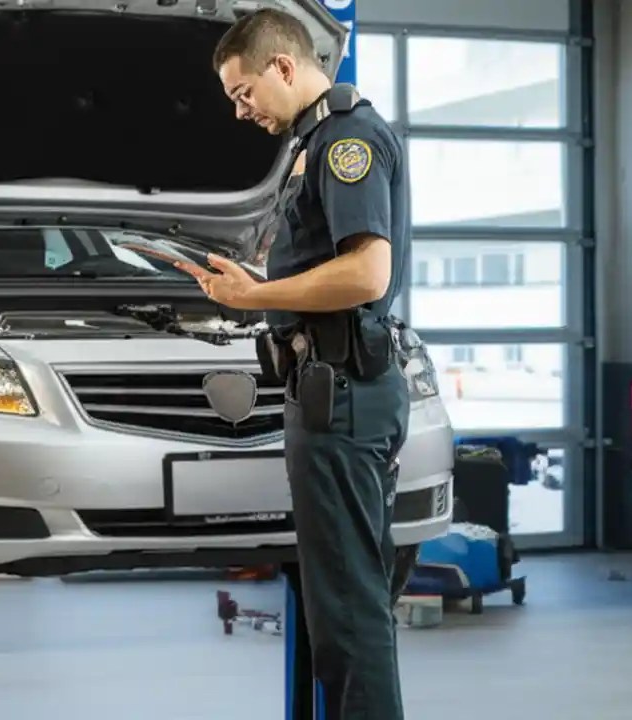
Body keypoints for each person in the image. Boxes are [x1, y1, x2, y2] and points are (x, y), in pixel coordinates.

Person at [173, 8, 411, 720]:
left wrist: (260, 294)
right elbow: (321, 260)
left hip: (343, 397)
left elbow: (368, 273)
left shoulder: (348, 140)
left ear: (282, 66)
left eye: (243, 92)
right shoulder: (313, 141)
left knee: (351, 611)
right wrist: (250, 280)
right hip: (325, 394)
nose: (241, 111)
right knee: (338, 609)